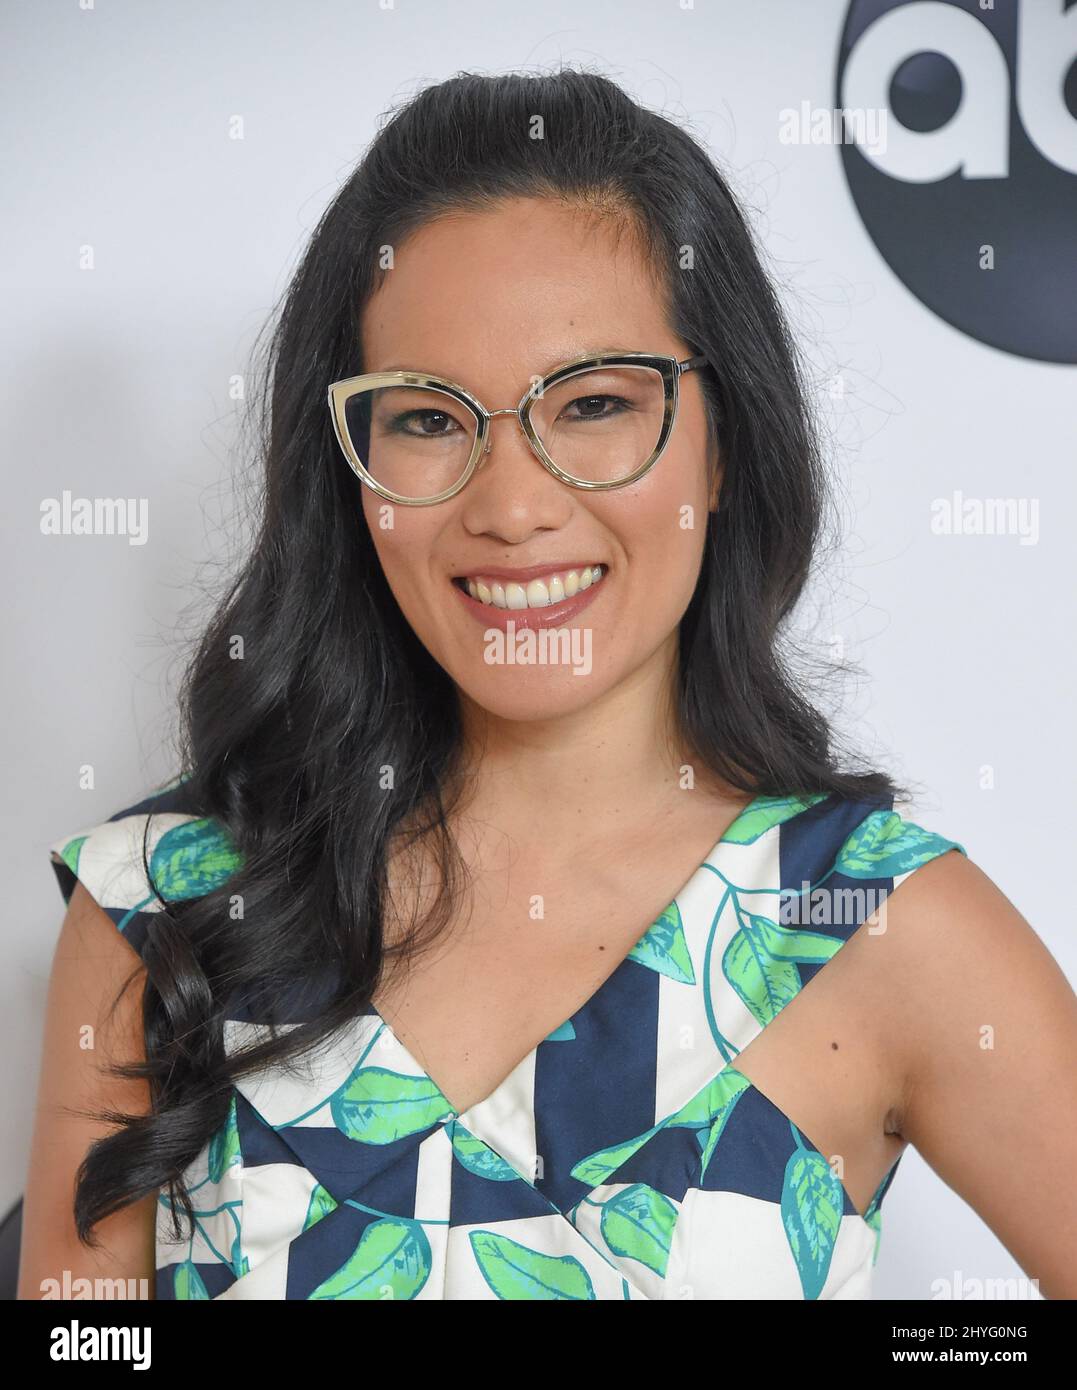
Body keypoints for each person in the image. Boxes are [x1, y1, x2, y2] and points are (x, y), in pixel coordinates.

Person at [20, 70, 1076, 1301]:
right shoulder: (169, 901)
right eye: (426, 418)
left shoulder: (880, 924)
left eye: (593, 406)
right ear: (350, 472)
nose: (512, 506)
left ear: (724, 444)